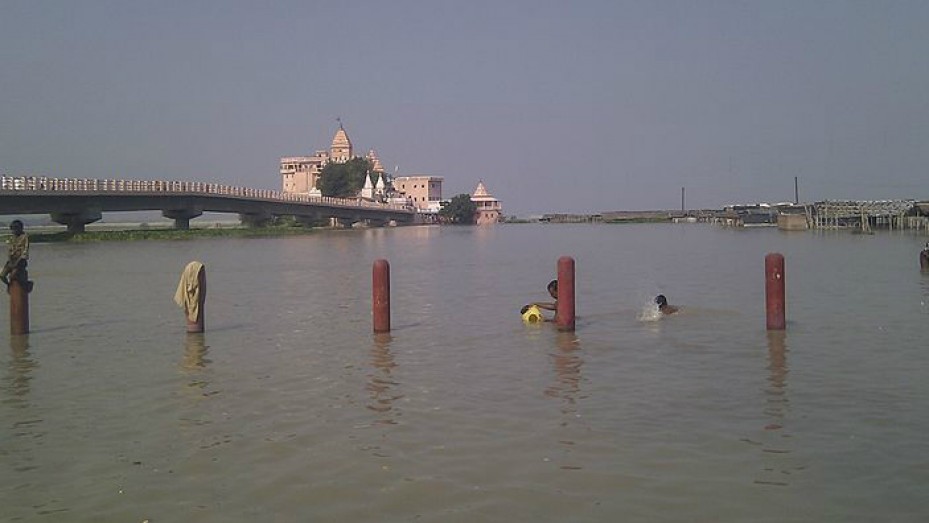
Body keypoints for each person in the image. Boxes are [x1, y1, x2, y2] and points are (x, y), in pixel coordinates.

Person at [1, 220, 31, 292]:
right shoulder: (12, 238)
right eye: (13, 229)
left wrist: (16, 263)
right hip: (11, 261)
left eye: (15, 229)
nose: (14, 231)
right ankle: (9, 286)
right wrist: (11, 262)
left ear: (20, 228)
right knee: (2, 275)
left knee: (13, 275)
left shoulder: (24, 237)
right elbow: (10, 251)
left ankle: (26, 285)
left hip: (21, 261)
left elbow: (24, 252)